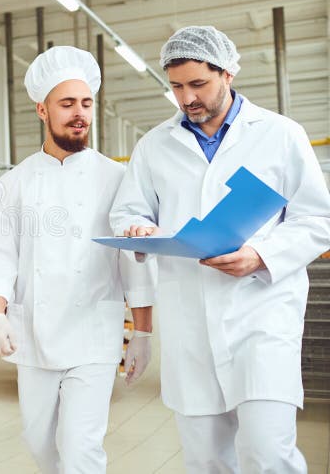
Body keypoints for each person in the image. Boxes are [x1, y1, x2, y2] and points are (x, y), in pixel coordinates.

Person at [110, 25, 330, 473]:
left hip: (262, 311)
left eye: (197, 84)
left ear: (227, 73)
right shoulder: (154, 146)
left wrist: (261, 256)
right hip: (189, 319)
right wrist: (138, 229)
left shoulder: (280, 134)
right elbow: (127, 213)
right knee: (206, 459)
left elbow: (317, 219)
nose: (186, 98)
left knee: (268, 453)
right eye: (175, 87)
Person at [0, 46, 154, 474]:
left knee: (80, 449)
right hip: (33, 332)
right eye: (68, 103)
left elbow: (134, 260)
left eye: (87, 103)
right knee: (39, 443)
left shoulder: (115, 177)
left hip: (94, 332)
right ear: (42, 109)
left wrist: (143, 334)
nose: (80, 113)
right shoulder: (14, 182)